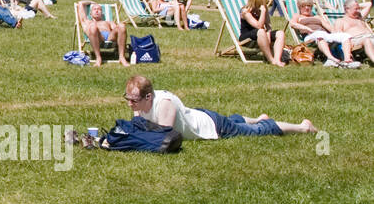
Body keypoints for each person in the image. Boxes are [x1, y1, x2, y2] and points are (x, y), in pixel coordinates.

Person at [119, 73, 317, 142]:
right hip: (203, 116)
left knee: (258, 132)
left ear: (148, 96)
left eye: (133, 100)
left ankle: (302, 127)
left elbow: (164, 137)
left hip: (212, 127)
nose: (130, 104)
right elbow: (139, 125)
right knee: (235, 122)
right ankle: (257, 117)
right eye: (128, 99)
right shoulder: (140, 103)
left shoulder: (164, 105)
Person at [288, 0, 359, 67]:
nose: (307, 8)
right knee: (319, 34)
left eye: (309, 5)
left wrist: (338, 34)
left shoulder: (318, 17)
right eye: (303, 6)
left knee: (345, 36)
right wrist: (306, 28)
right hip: (309, 36)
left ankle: (347, 60)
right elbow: (292, 24)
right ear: (299, 7)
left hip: (323, 34)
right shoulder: (298, 16)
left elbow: (330, 28)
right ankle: (330, 58)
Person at [239, 0, 287, 67]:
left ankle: (277, 59)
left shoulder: (263, 8)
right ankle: (271, 60)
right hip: (247, 38)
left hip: (261, 35)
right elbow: (259, 26)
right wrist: (263, 12)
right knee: (261, 31)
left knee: (280, 33)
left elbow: (268, 25)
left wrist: (268, 34)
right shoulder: (245, 11)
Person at [76, 0, 129, 67]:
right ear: (90, 13)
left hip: (110, 37)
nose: (97, 11)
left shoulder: (108, 22)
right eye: (94, 9)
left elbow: (118, 31)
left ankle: (122, 57)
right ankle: (98, 58)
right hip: (97, 37)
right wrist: (93, 2)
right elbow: (80, 3)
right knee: (93, 27)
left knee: (122, 26)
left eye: (99, 9)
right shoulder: (87, 22)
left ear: (102, 13)